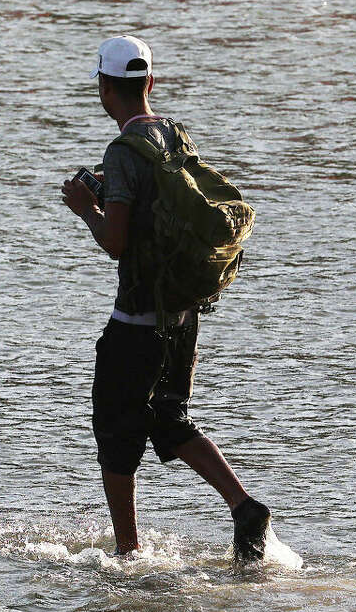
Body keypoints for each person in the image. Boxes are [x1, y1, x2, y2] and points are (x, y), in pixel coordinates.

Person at [59, 35, 273, 563]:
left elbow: (116, 242)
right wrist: (114, 189)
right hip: (182, 317)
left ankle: (128, 552)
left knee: (114, 429)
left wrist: (86, 206)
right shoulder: (171, 133)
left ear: (105, 89)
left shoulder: (122, 150)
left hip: (137, 320)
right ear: (149, 83)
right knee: (171, 419)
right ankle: (244, 506)